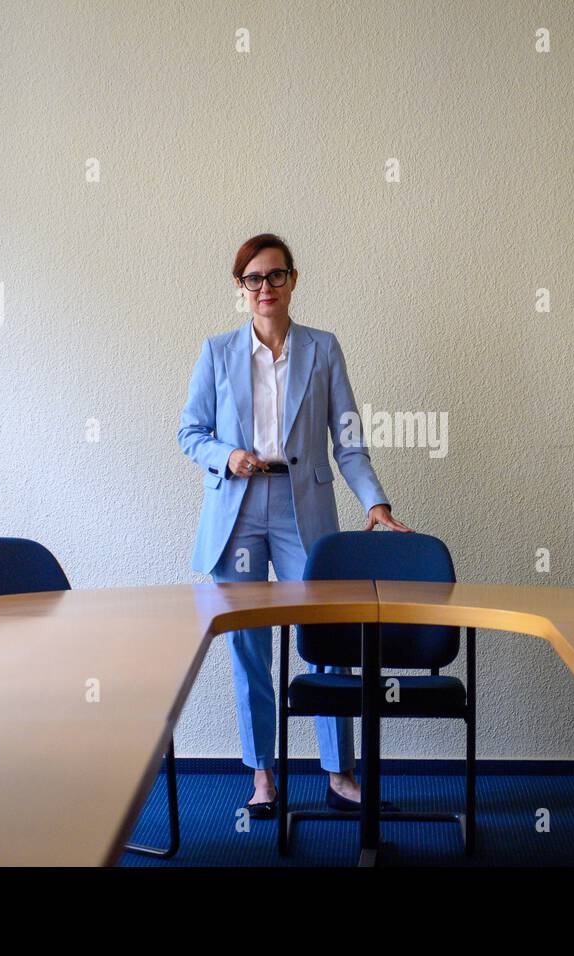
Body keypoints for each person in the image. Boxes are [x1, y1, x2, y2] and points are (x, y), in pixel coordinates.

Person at [178, 232, 413, 818]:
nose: (265, 288)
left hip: (301, 505)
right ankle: (262, 774)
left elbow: (349, 442)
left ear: (293, 280)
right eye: (254, 279)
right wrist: (227, 456)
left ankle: (339, 773)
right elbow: (190, 433)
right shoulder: (216, 352)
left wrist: (375, 504)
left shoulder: (323, 350)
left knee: (328, 643)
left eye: (275, 276)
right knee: (248, 646)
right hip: (238, 507)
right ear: (241, 288)